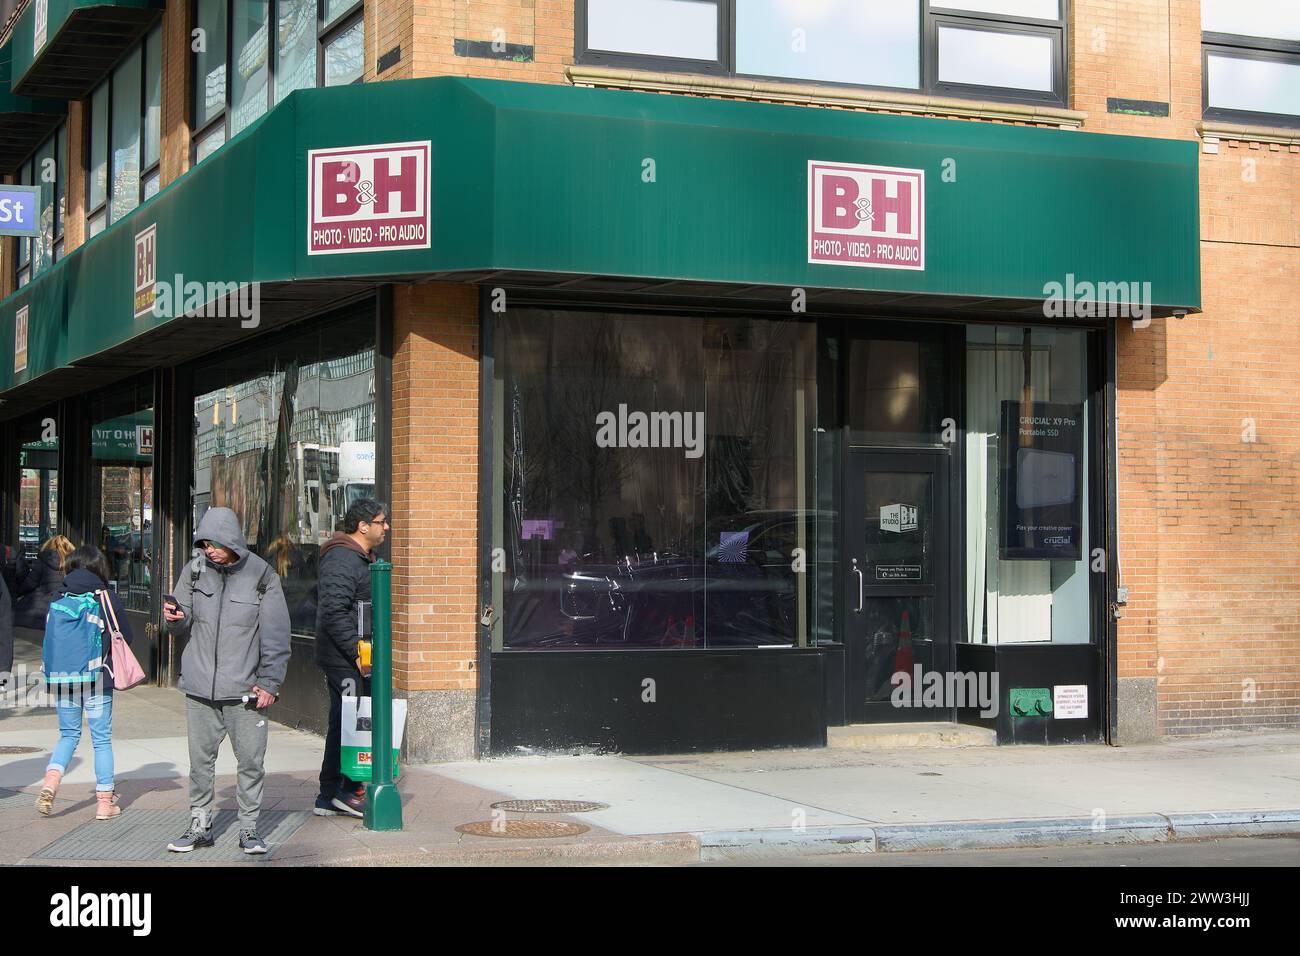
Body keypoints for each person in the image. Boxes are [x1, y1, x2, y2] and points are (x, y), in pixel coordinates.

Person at [161, 508, 290, 855]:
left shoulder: (262, 575)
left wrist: (269, 682)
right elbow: (180, 624)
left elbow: (277, 636)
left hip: (245, 691)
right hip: (200, 688)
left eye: (214, 543)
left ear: (232, 540)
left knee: (250, 763)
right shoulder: (194, 571)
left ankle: (249, 830)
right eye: (204, 544)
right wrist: (174, 618)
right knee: (200, 764)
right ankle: (200, 827)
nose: (209, 550)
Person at [35, 546, 135, 820]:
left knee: (68, 735)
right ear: (100, 568)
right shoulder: (106, 597)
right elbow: (125, 636)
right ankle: (105, 803)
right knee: (101, 740)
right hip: (96, 677)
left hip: (63, 677)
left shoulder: (58, 596)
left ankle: (50, 783)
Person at [313, 498, 388, 818]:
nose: (386, 527)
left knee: (352, 721)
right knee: (345, 722)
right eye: (381, 521)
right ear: (363, 526)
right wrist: (356, 652)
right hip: (344, 657)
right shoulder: (343, 558)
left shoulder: (362, 558)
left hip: (358, 655)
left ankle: (339, 790)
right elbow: (334, 611)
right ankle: (335, 792)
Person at [15, 535, 73, 631]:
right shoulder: (74, 562)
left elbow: (30, 583)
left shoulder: (43, 559)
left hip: (42, 605)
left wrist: (16, 592)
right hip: (64, 603)